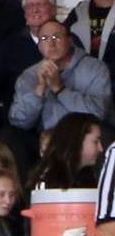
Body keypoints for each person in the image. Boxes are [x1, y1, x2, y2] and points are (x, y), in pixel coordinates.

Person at [7, 20, 112, 163]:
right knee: (9, 135)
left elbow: (98, 113)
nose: (51, 43)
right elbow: (19, 121)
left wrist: (60, 89)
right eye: (44, 39)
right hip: (45, 139)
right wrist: (39, 91)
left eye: (57, 37)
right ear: (39, 46)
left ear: (69, 41)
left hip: (83, 137)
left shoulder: (95, 68)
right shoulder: (29, 76)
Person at [0, 0, 61, 124]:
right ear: (24, 13)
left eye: (40, 5)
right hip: (24, 120)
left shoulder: (69, 40)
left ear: (54, 9)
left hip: (62, 119)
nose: (35, 10)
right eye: (29, 6)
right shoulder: (9, 46)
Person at [28, 111, 102, 190]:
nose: (101, 148)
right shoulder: (47, 179)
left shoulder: (90, 176)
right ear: (77, 141)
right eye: (95, 141)